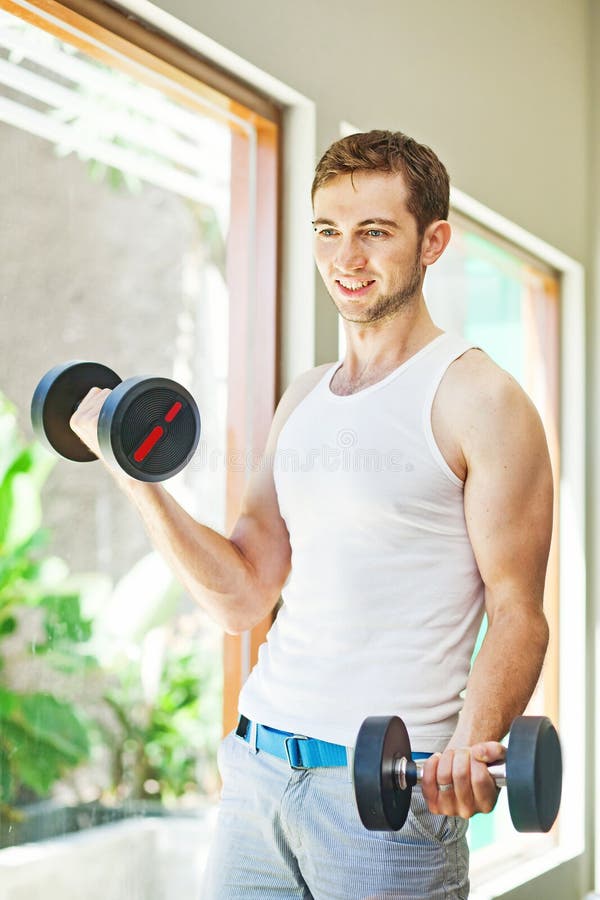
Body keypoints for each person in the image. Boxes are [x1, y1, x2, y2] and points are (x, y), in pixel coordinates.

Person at [70, 130, 554, 899]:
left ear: (434, 242)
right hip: (256, 772)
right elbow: (242, 595)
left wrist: (473, 741)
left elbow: (519, 611)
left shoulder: (480, 400)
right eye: (328, 231)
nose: (345, 259)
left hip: (384, 800)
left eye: (374, 232)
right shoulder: (304, 396)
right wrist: (134, 478)